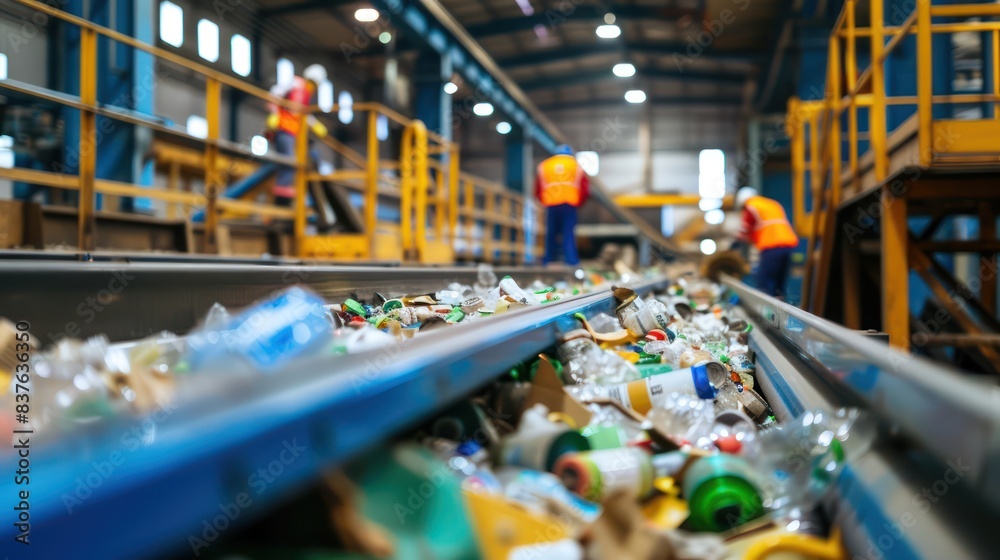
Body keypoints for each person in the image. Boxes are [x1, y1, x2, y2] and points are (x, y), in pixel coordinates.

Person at [266, 64, 329, 207]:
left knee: (301, 159)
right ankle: (280, 201)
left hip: (293, 132)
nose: (313, 87)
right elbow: (274, 94)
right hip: (284, 129)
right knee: (288, 162)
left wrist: (314, 125)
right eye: (313, 83)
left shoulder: (306, 93)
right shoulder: (296, 83)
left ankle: (287, 198)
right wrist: (274, 114)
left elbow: (302, 113)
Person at [733, 186, 799, 298]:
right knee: (779, 284)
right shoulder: (772, 204)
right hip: (787, 245)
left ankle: (766, 312)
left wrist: (734, 244)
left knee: (763, 281)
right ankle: (780, 306)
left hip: (771, 246)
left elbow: (744, 229)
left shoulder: (750, 206)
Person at [535, 144, 589, 265]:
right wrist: (579, 202)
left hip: (551, 204)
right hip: (569, 204)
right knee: (568, 233)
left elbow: (538, 188)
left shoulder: (545, 165)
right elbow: (585, 188)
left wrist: (543, 200)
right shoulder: (576, 165)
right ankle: (571, 262)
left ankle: (547, 261)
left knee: (551, 233)